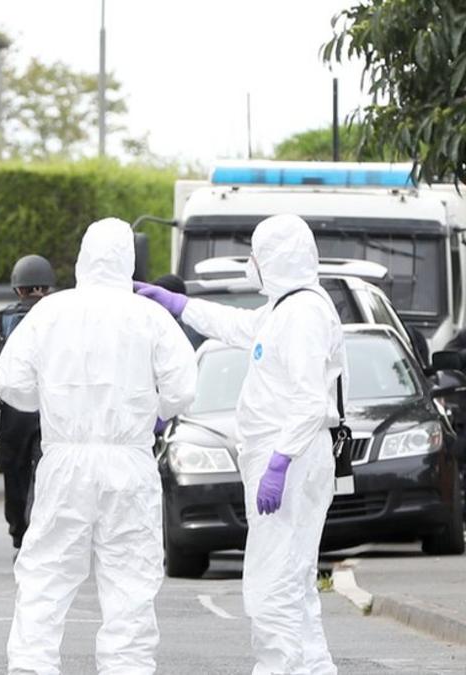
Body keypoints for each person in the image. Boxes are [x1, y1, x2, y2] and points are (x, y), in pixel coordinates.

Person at [138, 214, 346, 675]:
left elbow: (310, 400)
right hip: (288, 458)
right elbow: (237, 326)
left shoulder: (304, 314)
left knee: (271, 582)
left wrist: (279, 461)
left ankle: (278, 668)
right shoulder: (286, 309)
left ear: (274, 259)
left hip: (289, 461)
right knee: (293, 580)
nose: (251, 263)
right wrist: (179, 304)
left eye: (256, 255)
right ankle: (312, 669)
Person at [0, 219, 197, 675]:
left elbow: (9, 382)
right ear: (129, 260)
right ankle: (127, 666)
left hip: (65, 456)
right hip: (129, 459)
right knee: (130, 573)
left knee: (47, 568)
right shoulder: (150, 316)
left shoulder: (49, 312)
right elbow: (184, 388)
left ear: (83, 257)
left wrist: (48, 404)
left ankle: (32, 665)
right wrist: (153, 410)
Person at [0, 254, 55, 553]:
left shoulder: (3, 321)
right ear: (48, 287)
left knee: (15, 474)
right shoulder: (61, 318)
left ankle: (20, 534)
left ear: (18, 289)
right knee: (45, 476)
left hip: (14, 415)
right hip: (52, 413)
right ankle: (37, 531)